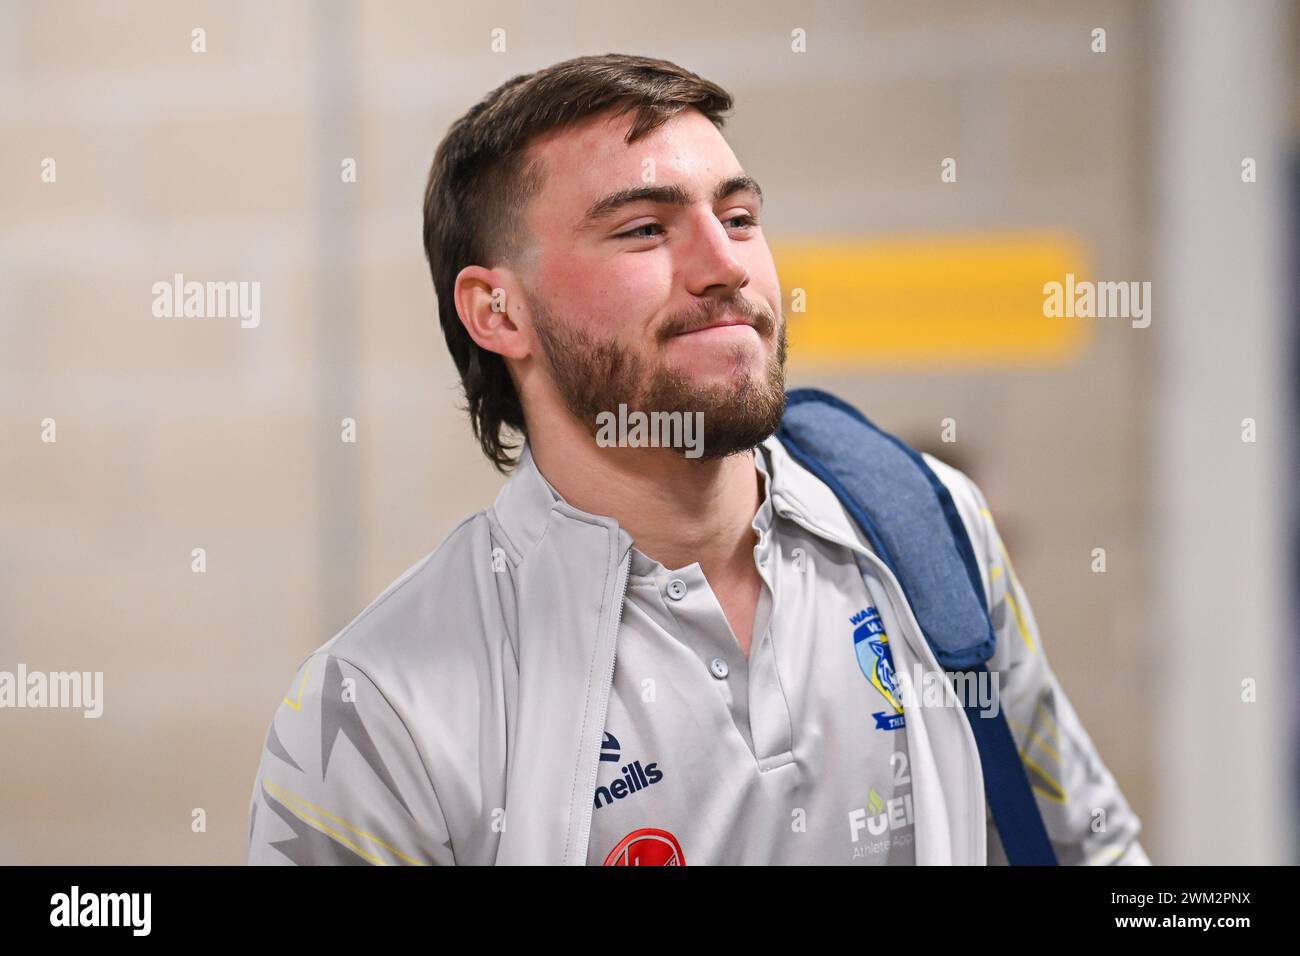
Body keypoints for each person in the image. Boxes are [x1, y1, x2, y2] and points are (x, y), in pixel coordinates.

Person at [246, 53, 1148, 866]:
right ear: (498, 313)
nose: (725, 265)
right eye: (643, 229)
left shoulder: (928, 523)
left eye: (741, 216)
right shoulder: (373, 709)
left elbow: (1096, 854)